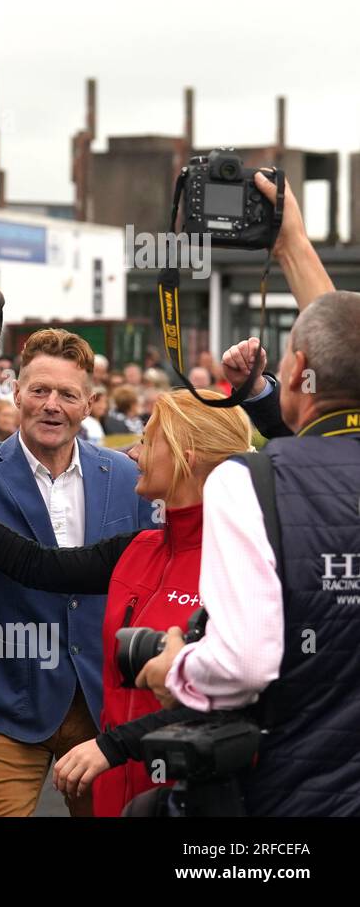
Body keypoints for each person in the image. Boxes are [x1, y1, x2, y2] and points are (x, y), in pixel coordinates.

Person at [0, 388, 253, 816]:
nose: (136, 452)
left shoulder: (244, 561)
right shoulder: (140, 548)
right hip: (116, 780)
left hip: (192, 787)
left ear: (186, 456)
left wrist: (111, 746)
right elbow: (34, 564)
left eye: (150, 440)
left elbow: (235, 697)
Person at [0, 328, 155, 817]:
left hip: (103, 706)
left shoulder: (126, 477)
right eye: (39, 390)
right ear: (16, 392)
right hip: (7, 703)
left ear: (90, 403)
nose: (51, 405)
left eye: (67, 394)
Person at [136, 296, 360, 816]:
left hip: (287, 797)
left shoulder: (249, 480)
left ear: (299, 369)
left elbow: (243, 663)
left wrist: (176, 667)